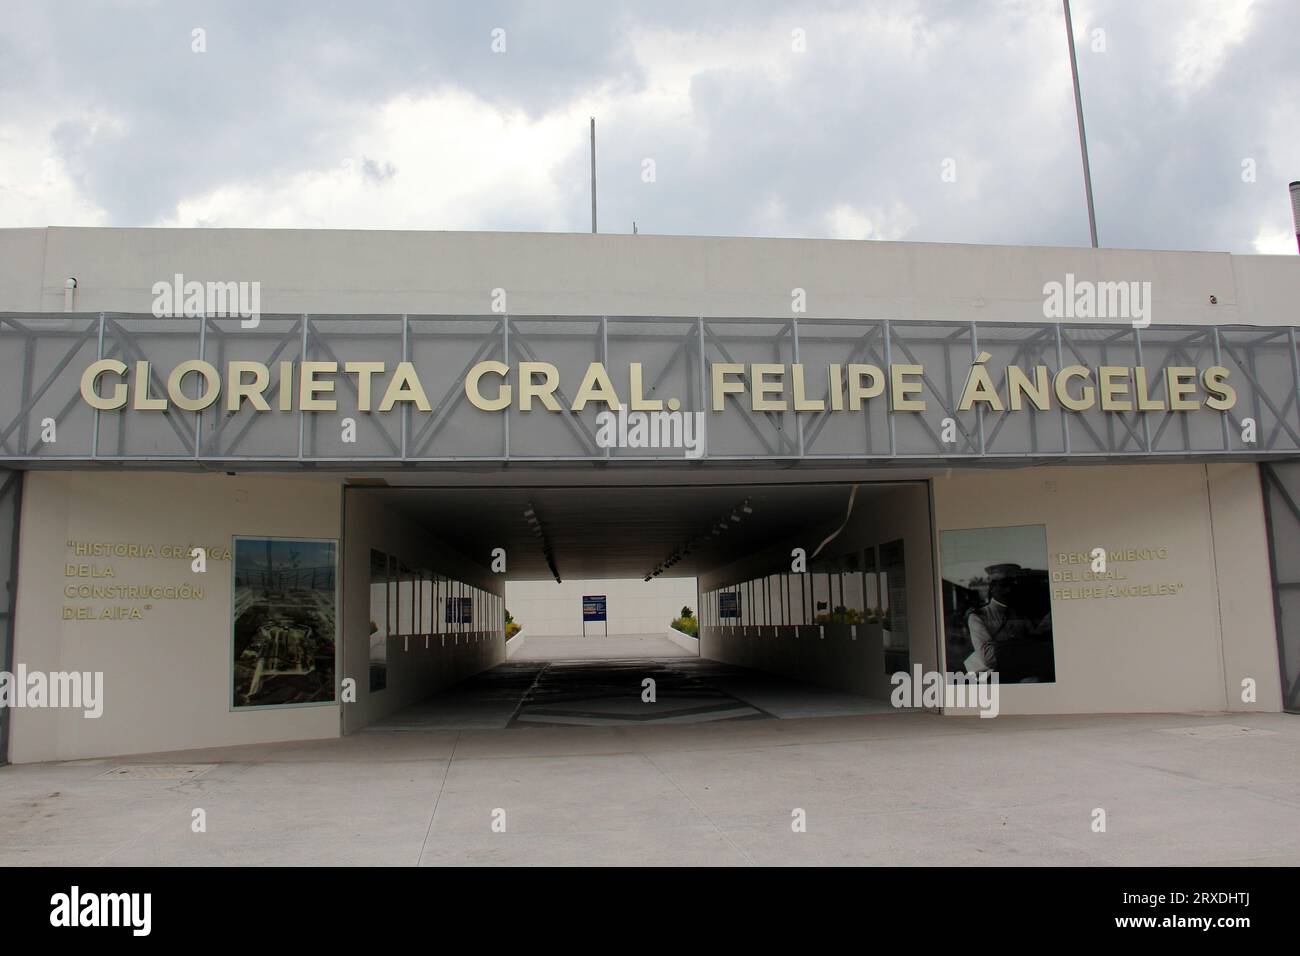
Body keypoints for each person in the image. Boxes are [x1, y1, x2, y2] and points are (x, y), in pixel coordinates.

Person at [964, 563, 1037, 672]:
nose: (1009, 590)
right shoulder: (978, 616)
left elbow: (1036, 647)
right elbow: (989, 658)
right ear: (992, 587)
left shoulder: (1021, 613)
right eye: (1004, 585)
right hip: (992, 677)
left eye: (1013, 585)